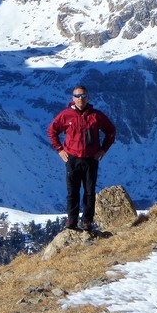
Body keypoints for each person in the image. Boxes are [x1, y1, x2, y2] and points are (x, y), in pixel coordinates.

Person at [47, 85, 116, 231]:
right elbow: (52, 131)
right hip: (72, 158)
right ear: (72, 98)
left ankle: (87, 221)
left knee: (89, 192)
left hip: (91, 159)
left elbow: (111, 131)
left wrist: (103, 149)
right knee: (73, 191)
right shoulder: (66, 115)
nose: (80, 99)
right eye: (77, 96)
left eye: (83, 96)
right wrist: (60, 149)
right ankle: (71, 220)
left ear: (88, 98)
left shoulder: (96, 116)